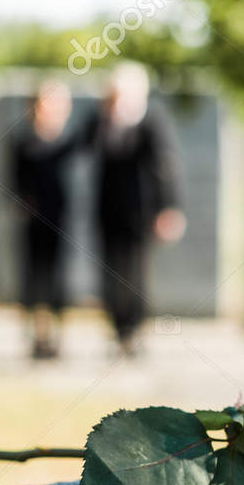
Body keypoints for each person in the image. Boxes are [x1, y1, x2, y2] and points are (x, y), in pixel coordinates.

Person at [86, 63, 186, 356]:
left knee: (137, 273)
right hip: (107, 210)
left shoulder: (150, 121)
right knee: (109, 272)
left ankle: (134, 330)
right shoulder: (100, 121)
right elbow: (82, 146)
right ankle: (117, 329)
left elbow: (165, 166)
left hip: (141, 212)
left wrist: (169, 207)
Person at [9, 80, 78, 360]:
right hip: (32, 222)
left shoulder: (67, 142)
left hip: (60, 221)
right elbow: (12, 183)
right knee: (33, 278)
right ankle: (36, 335)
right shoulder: (23, 142)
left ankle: (56, 335)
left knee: (58, 279)